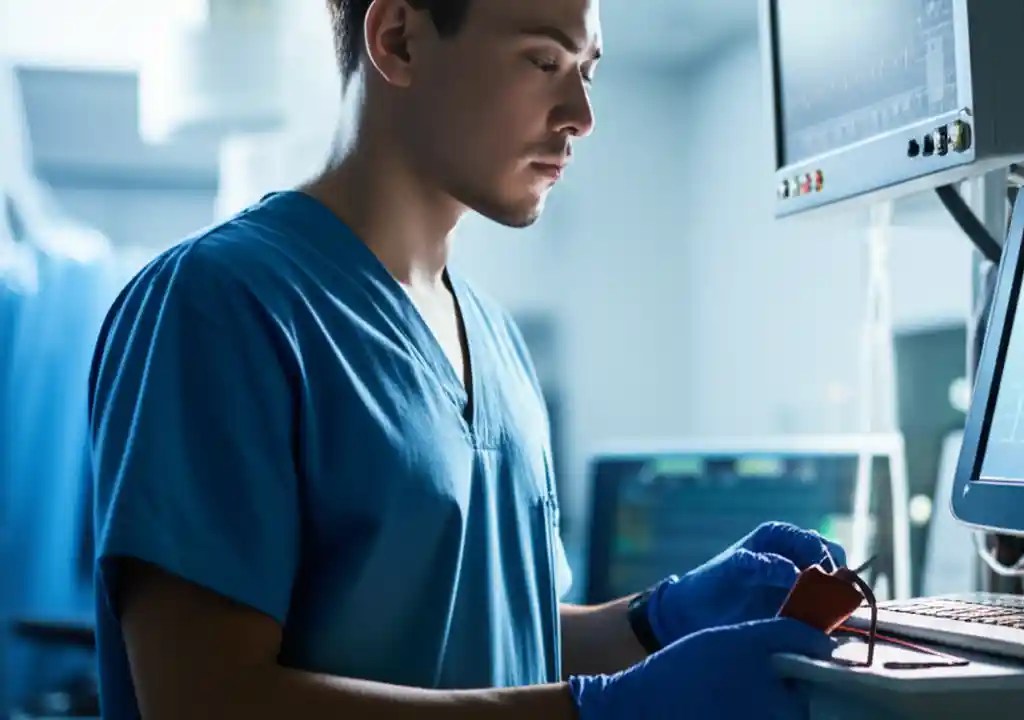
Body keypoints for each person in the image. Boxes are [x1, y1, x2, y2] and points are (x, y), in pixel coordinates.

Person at [87, 1, 849, 718]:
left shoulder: (497, 341)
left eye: (587, 69)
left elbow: (506, 640)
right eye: (543, 60)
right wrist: (592, 712)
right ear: (399, 40)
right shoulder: (222, 306)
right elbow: (204, 700)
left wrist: (659, 618)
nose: (581, 117)